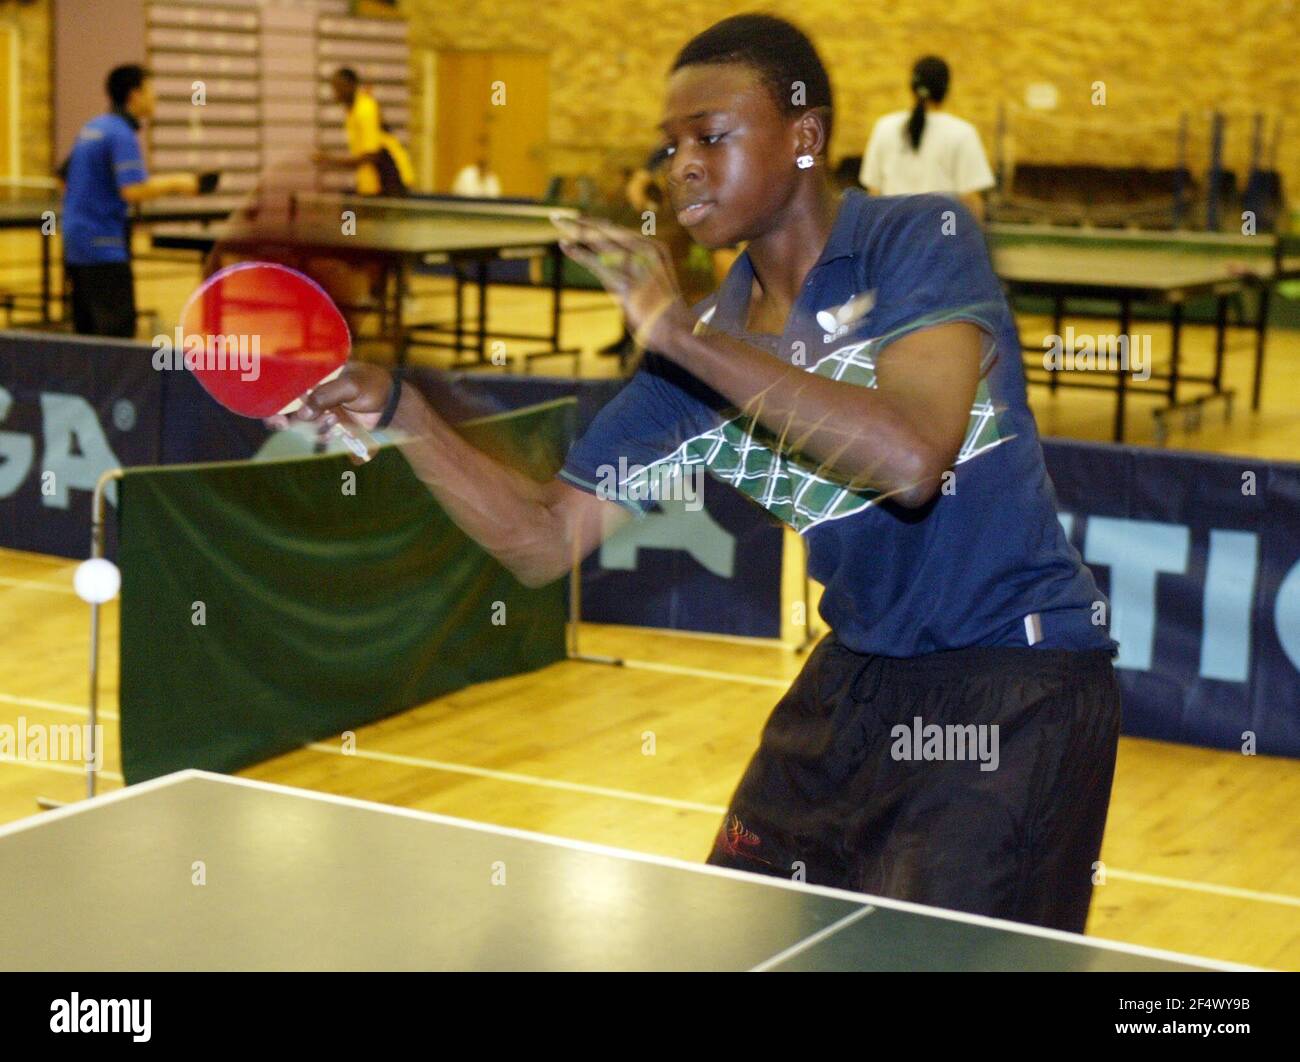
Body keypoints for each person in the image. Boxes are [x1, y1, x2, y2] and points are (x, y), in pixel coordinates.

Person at [282, 14, 1121, 934]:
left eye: (710, 137)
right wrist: (403, 412)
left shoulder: (919, 237)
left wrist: (680, 333)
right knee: (740, 934)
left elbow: (915, 460)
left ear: (805, 136)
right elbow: (544, 538)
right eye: (671, 145)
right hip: (854, 680)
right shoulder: (690, 369)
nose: (681, 164)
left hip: (1016, 682)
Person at [60, 64, 213, 337]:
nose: (155, 98)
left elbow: (63, 177)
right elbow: (132, 190)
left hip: (76, 243)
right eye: (151, 90)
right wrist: (180, 182)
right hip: (104, 246)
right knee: (115, 334)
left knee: (88, 335)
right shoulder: (120, 133)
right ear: (135, 95)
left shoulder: (93, 127)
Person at [860, 56, 995, 223]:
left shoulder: (884, 127)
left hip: (893, 232)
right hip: (943, 230)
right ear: (946, 89)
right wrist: (974, 240)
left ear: (912, 87)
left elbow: (874, 192)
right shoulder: (963, 132)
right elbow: (970, 198)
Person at [316, 67, 414, 196]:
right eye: (334, 87)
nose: (335, 92)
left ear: (351, 86)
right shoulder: (351, 111)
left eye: (339, 86)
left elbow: (372, 155)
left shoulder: (366, 109)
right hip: (373, 182)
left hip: (390, 177)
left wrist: (329, 160)